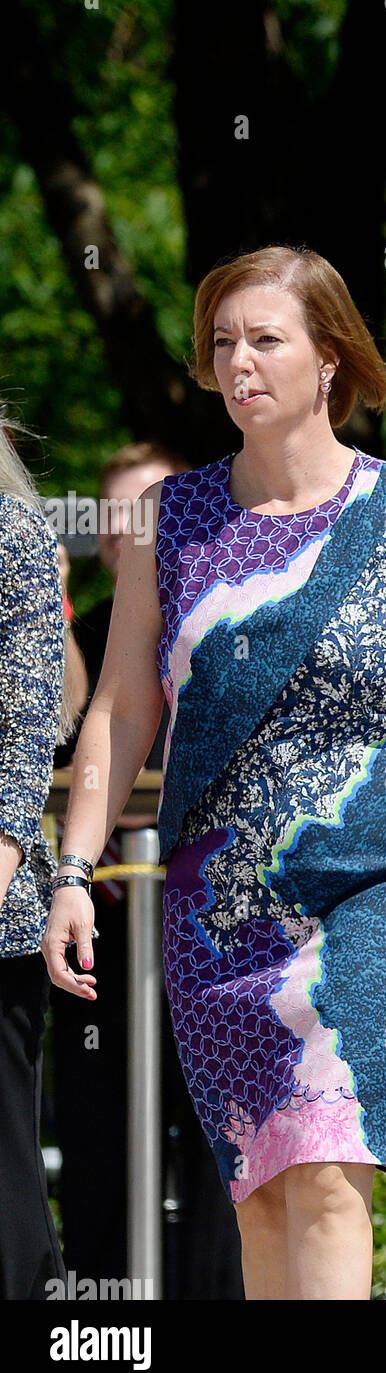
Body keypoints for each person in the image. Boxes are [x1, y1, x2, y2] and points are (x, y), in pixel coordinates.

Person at [42, 244, 386, 1301]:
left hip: (378, 895)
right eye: (221, 344)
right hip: (216, 910)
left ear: (331, 358)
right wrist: (70, 869)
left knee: (328, 1172)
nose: (238, 364)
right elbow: (123, 708)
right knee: (263, 1192)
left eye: (265, 340)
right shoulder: (166, 523)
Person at [51, 441, 245, 1298]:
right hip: (107, 935)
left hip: (225, 928)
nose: (135, 533)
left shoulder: (240, 619)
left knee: (226, 1147)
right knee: (102, 1139)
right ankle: (107, 1321)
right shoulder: (73, 641)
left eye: (151, 511)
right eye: (117, 517)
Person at [0, 403, 75, 1298]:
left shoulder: (12, 527)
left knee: (7, 1174)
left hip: (3, 906)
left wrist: (9, 845)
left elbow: (27, 718)